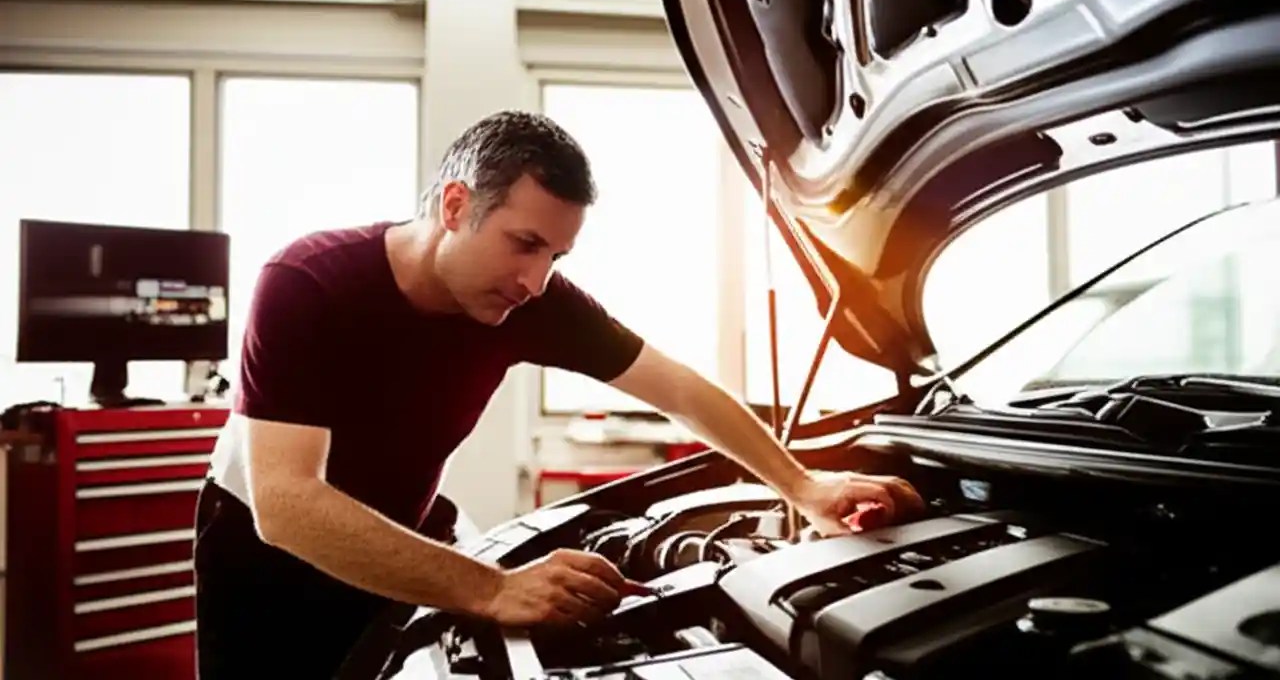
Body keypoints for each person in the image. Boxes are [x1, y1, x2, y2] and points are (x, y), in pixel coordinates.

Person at [193, 110, 924, 678]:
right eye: (523, 243)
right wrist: (492, 587)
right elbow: (287, 505)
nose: (535, 281)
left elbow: (679, 388)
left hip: (403, 537)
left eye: (556, 254)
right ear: (455, 205)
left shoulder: (532, 305)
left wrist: (802, 484)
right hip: (267, 565)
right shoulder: (307, 283)